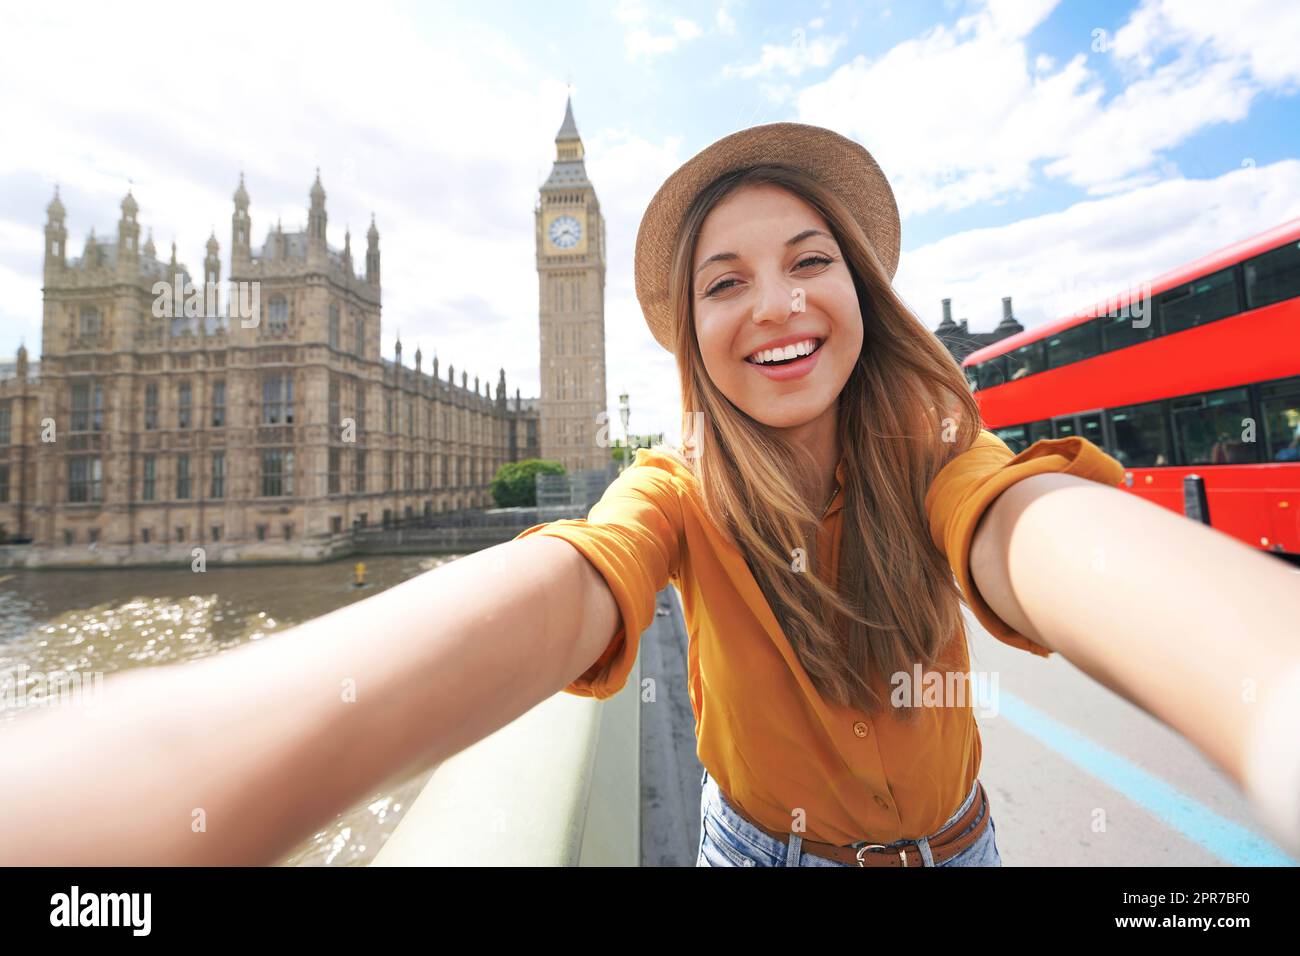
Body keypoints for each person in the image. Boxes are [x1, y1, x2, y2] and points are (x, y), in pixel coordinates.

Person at [1, 123, 1298, 867]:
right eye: (724, 280)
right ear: (687, 326)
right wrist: (180, 763)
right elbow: (561, 583)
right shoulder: (671, 488)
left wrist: (1267, 691)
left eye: (808, 261)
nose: (775, 302)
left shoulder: (932, 448)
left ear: (861, 291)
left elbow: (1042, 536)